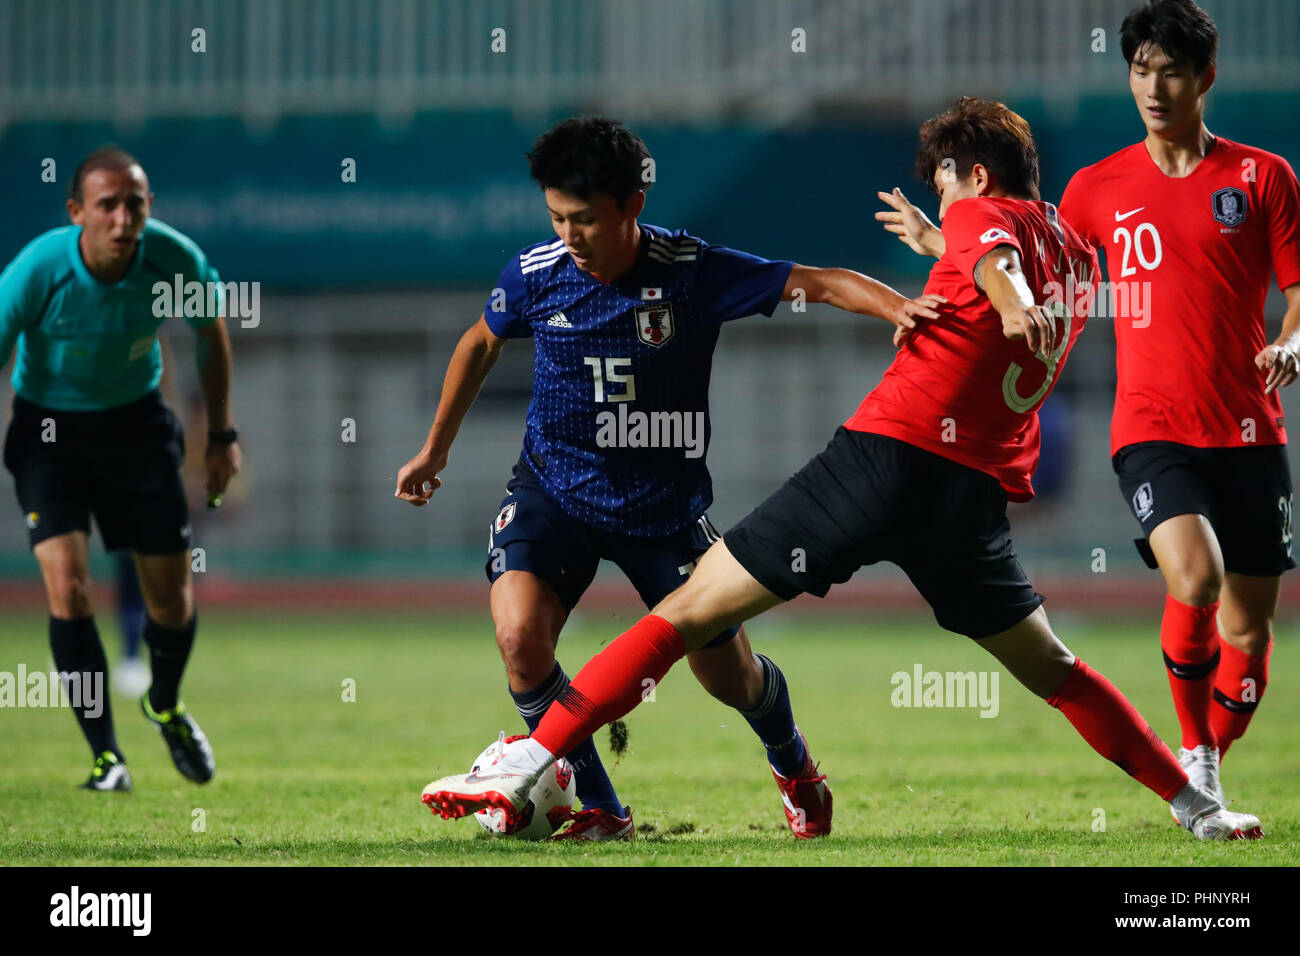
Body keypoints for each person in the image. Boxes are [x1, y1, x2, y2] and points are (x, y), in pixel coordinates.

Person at [422, 98, 1263, 842]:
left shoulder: (983, 228)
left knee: (682, 614)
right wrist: (957, 257)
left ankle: (528, 758)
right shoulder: (1075, 254)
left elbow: (994, 261)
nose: (942, 204)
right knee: (1056, 670)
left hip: (882, 462)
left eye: (942, 187)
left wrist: (999, 290)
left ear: (969, 173)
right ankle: (1198, 807)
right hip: (967, 499)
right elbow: (998, 258)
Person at [396, 116, 940, 839]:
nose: (570, 235)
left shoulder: (691, 272)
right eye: (557, 217)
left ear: (632, 206)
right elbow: (478, 342)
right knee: (520, 637)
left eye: (586, 219)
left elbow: (817, 283)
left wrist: (897, 307)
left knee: (732, 681)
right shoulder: (534, 275)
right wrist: (436, 448)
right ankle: (601, 809)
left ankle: (793, 761)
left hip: (664, 512)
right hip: (552, 490)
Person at [883, 0, 1300, 810]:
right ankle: (1196, 757)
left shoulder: (1264, 177)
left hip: (1251, 428)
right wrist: (945, 245)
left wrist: (1291, 344)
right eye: (1140, 70)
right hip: (1150, 426)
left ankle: (1216, 739)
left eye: (1170, 70)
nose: (1153, 86)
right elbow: (1034, 264)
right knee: (1197, 576)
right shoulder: (1096, 187)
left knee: (1247, 633)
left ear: (1204, 77)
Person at [0, 146, 240, 790]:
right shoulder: (35, 271)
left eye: (134, 203)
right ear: (77, 212)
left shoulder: (173, 259)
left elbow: (210, 332)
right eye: (106, 204)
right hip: (48, 434)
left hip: (137, 428)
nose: (122, 217)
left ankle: (164, 703)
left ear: (148, 207)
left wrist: (220, 436)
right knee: (67, 586)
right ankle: (107, 758)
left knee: (170, 596)